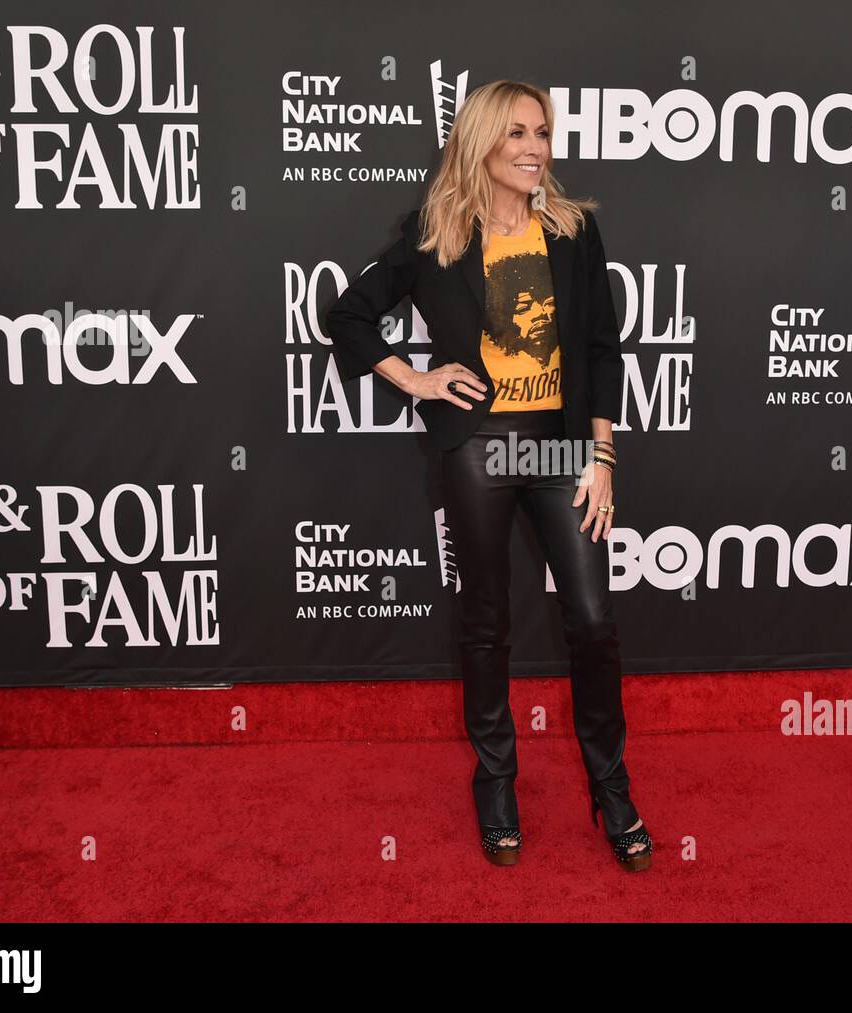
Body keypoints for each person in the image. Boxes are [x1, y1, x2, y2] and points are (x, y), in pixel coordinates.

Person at [325, 80, 652, 872]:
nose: (535, 147)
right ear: (481, 143)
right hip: (478, 445)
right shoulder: (435, 232)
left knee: (593, 619)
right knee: (486, 621)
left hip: (557, 447)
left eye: (542, 131)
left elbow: (603, 347)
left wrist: (602, 455)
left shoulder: (574, 231)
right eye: (516, 133)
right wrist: (415, 378)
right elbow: (348, 313)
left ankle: (610, 786)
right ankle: (497, 780)